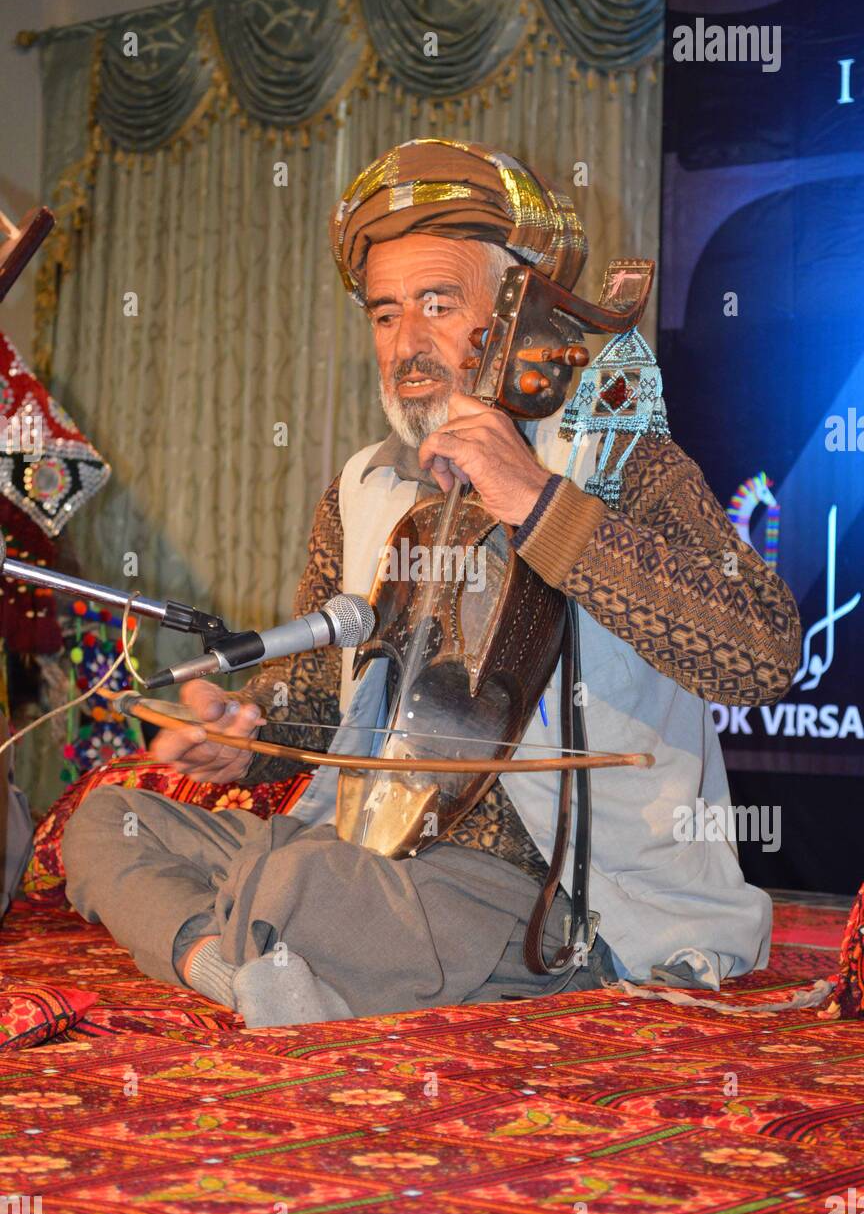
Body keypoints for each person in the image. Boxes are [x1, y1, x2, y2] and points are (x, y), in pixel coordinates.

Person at [63, 140, 801, 1027]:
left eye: (437, 305)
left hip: (549, 894)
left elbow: (761, 654)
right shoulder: (365, 488)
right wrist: (245, 735)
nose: (406, 344)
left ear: (517, 311)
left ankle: (275, 951)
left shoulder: (618, 461)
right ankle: (241, 972)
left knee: (297, 883)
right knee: (109, 822)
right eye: (383, 315)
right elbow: (316, 690)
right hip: (368, 851)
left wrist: (536, 502)